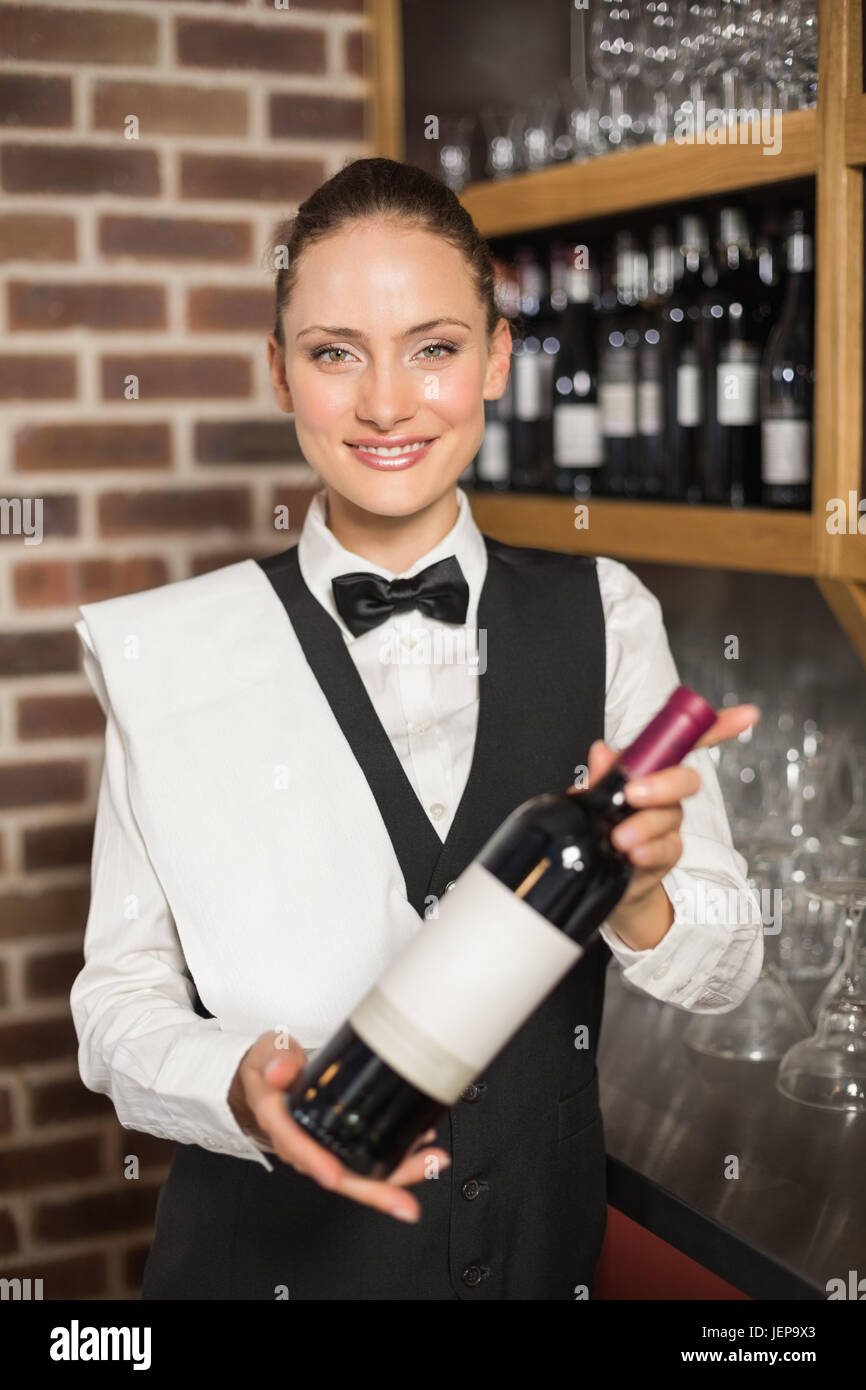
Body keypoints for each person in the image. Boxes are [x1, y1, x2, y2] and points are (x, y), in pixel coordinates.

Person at [70, 157, 763, 1301]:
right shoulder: (176, 653)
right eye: (334, 352)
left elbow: (726, 962)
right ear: (281, 374)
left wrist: (641, 894)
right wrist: (237, 1084)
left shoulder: (607, 612)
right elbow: (117, 1002)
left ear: (494, 358)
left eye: (432, 347)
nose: (386, 402)